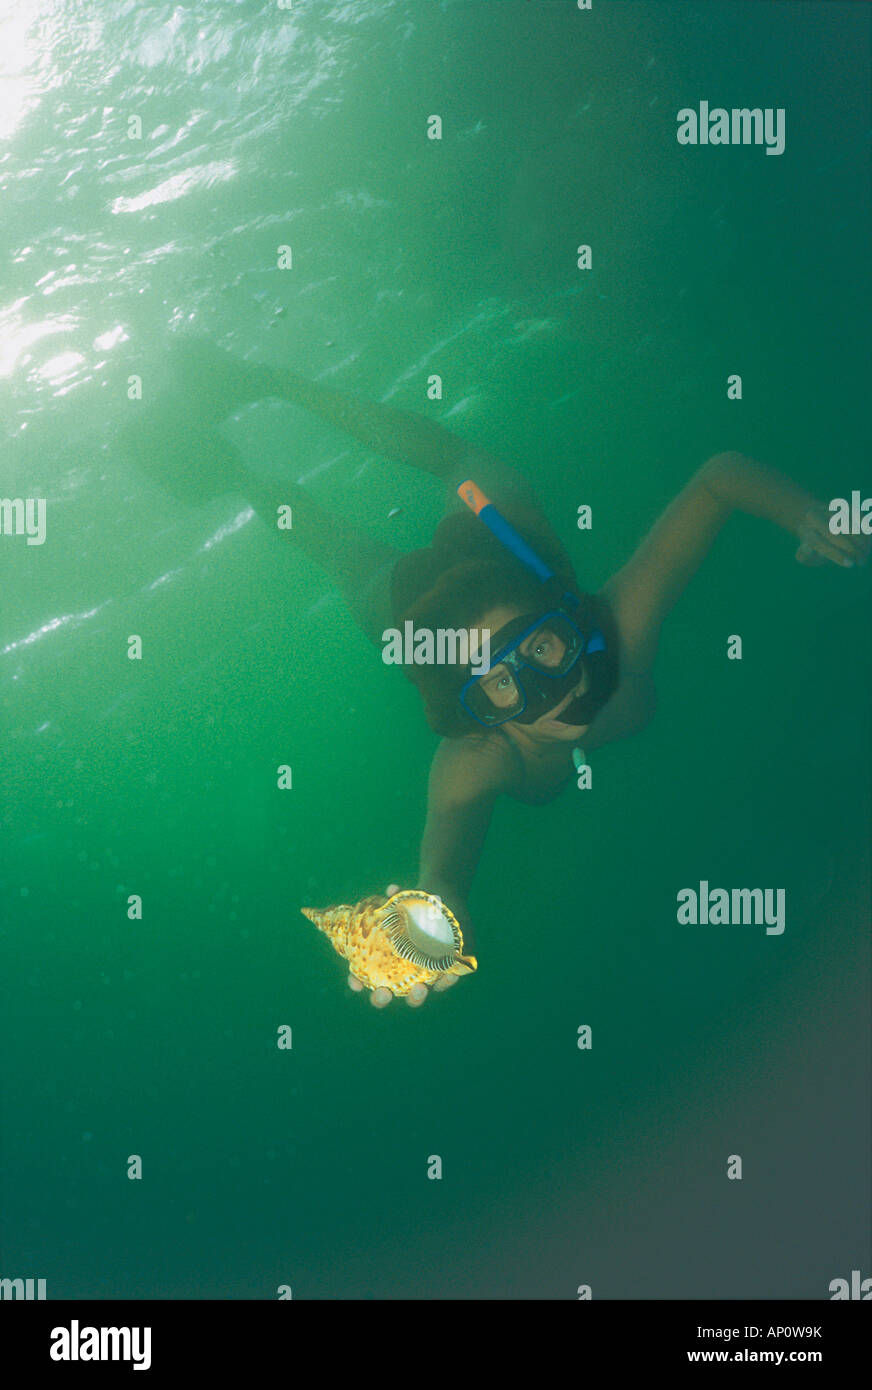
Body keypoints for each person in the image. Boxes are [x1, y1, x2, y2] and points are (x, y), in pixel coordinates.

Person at [133, 338, 869, 1009]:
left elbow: (717, 481)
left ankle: (273, 376)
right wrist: (428, 939)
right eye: (503, 683)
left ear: (571, 626)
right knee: (340, 554)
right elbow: (444, 875)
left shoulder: (614, 630)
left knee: (464, 468)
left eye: (545, 651)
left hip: (508, 540)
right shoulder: (475, 761)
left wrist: (810, 514)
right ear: (472, 709)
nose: (554, 690)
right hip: (417, 614)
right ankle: (236, 474)